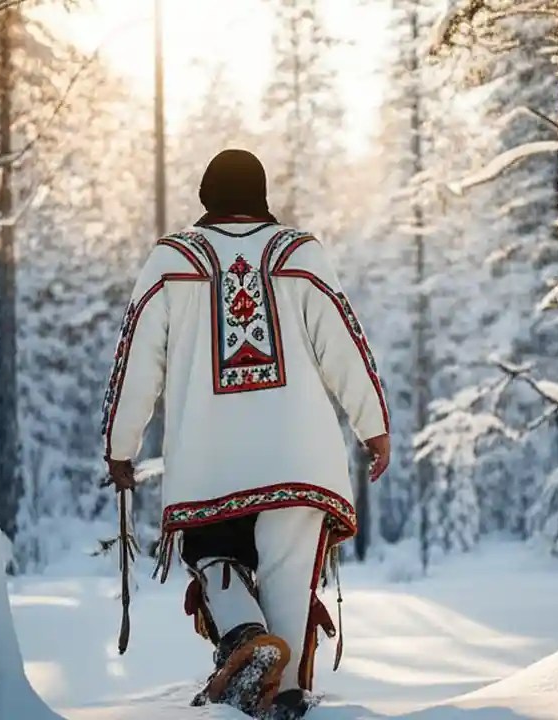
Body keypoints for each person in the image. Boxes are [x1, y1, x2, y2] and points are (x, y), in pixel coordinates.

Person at [101, 149, 390, 719]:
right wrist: (373, 425)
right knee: (289, 587)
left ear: (206, 197)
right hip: (299, 458)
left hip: (210, 458)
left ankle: (244, 643)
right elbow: (344, 343)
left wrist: (120, 445)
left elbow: (136, 359)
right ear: (262, 196)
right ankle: (282, 698)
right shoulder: (299, 253)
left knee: (215, 561)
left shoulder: (172, 260)